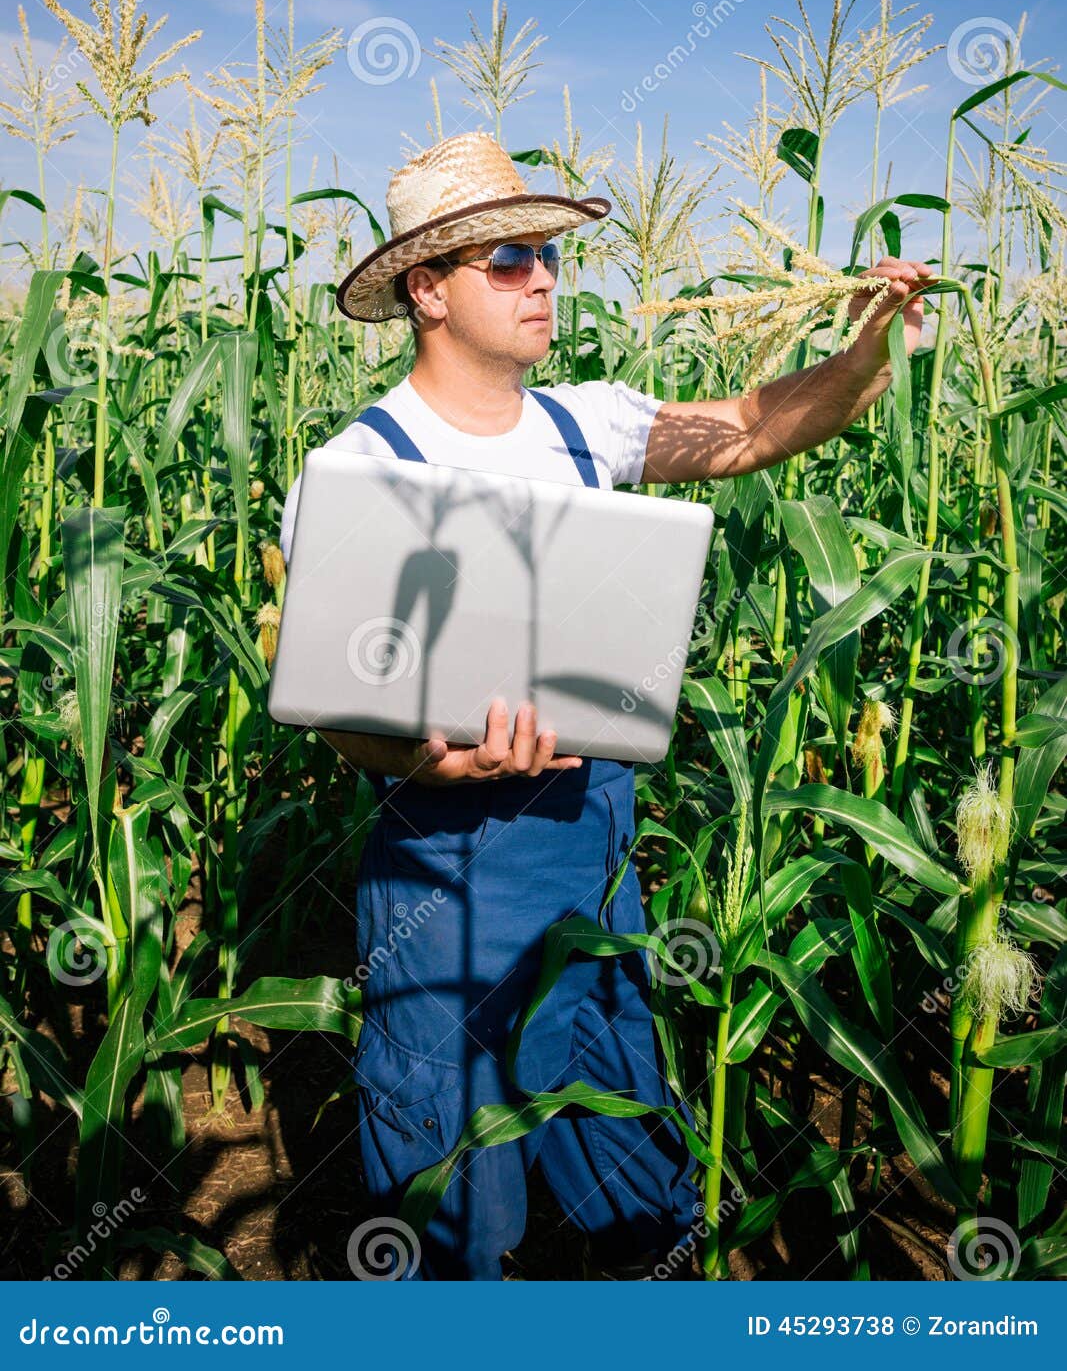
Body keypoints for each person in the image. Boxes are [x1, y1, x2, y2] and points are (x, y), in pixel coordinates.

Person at [277, 128, 933, 1281]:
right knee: (447, 1170)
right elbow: (336, 711)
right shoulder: (360, 468)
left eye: (545, 253)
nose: (542, 277)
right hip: (447, 864)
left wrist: (864, 346)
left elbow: (751, 426)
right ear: (426, 289)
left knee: (624, 1133)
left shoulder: (589, 422)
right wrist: (432, 764)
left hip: (593, 843)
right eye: (509, 258)